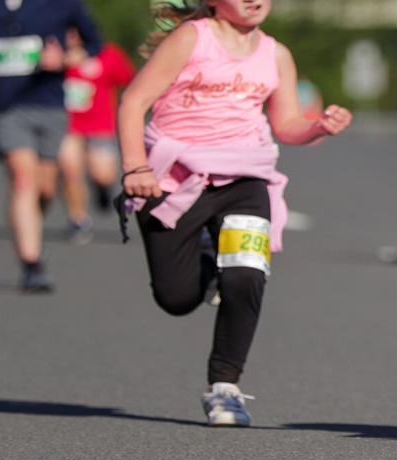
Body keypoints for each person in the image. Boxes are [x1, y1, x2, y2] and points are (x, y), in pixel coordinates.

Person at [118, 0, 352, 426]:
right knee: (176, 298)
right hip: (174, 180)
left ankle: (225, 387)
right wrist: (136, 168)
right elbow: (133, 102)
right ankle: (209, 258)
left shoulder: (276, 54)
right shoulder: (190, 39)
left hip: (245, 177)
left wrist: (318, 126)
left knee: (246, 274)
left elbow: (287, 125)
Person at [0, 0, 103, 292]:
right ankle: (32, 265)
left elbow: (94, 44)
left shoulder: (61, 4)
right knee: (23, 179)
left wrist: (66, 58)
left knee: (43, 189)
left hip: (50, 106)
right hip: (5, 109)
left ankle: (32, 227)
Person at [59, 25, 133, 243]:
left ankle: (102, 188)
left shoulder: (107, 54)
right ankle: (78, 219)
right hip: (67, 125)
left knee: (103, 174)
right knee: (70, 170)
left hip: (100, 126)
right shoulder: (55, 54)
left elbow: (128, 79)